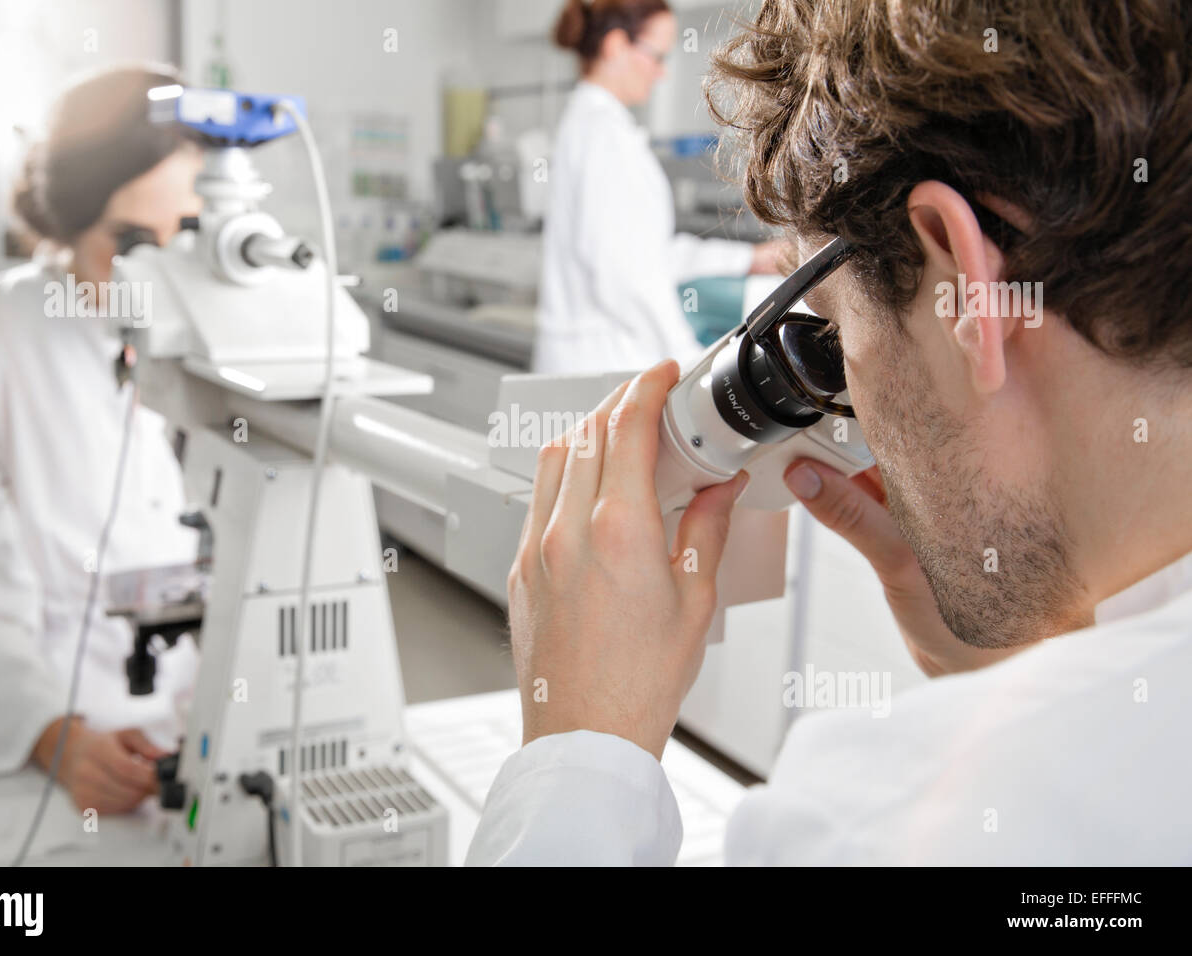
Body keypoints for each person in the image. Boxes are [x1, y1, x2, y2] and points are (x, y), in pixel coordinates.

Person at [468, 0, 1192, 864]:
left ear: (964, 288)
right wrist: (1017, 676)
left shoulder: (875, 822)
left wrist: (577, 761)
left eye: (836, 331)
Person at [0, 66, 204, 813]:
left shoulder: (205, 339)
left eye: (183, 240)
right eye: (129, 246)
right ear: (69, 221)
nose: (152, 281)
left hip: (189, 719)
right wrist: (53, 738)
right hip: (42, 741)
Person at [534, 0, 785, 375]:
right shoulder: (604, 137)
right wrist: (690, 361)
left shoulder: (593, 124)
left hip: (591, 360)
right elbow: (624, 277)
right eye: (657, 56)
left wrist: (747, 260)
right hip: (600, 362)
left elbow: (645, 252)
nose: (662, 72)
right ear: (616, 46)